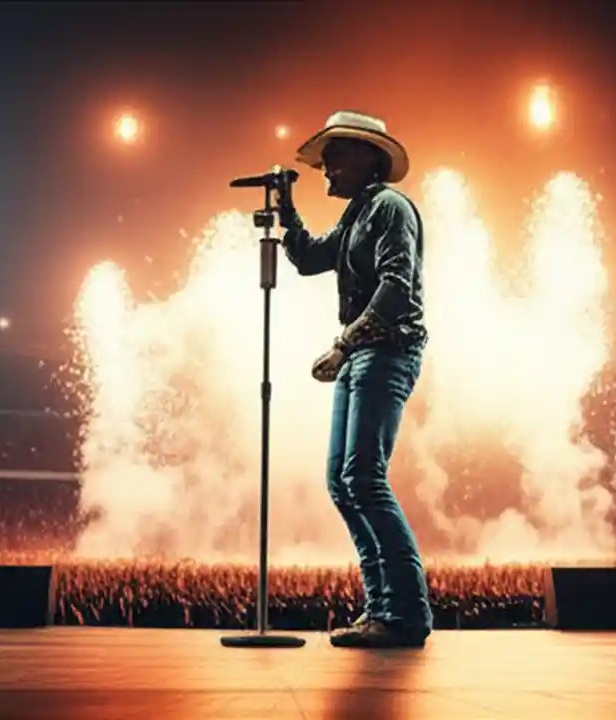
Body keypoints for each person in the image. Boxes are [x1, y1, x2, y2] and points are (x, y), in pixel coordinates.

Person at [278, 110, 432, 648]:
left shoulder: (390, 208)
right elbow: (307, 259)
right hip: (360, 352)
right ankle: (380, 610)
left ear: (369, 157)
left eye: (334, 159)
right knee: (342, 482)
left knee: (363, 479)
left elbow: (396, 288)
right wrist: (285, 208)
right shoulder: (355, 216)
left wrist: (343, 345)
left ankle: (405, 614)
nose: (325, 172)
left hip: (383, 350)